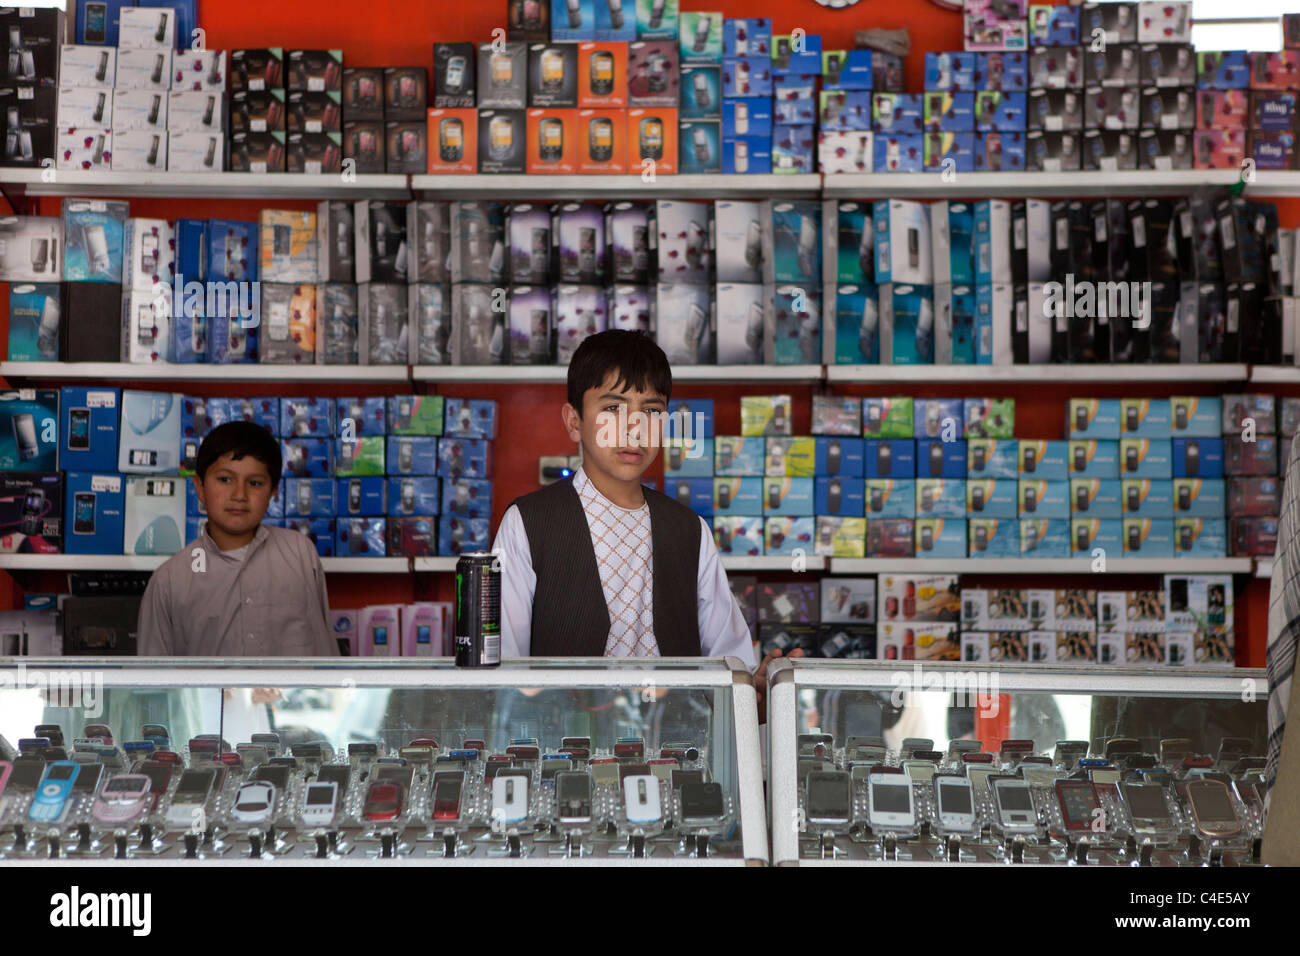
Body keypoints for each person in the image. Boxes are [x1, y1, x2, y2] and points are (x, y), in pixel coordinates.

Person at [491, 330, 799, 715]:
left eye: (651, 411)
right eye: (613, 408)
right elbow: (501, 677)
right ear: (573, 422)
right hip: (565, 757)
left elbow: (729, 665)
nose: (633, 429)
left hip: (676, 756)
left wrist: (753, 687)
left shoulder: (689, 530)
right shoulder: (529, 523)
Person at [138, 421, 338, 657]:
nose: (239, 495)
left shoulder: (300, 553)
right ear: (200, 487)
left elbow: (326, 658)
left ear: (273, 492)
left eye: (255, 483)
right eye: (224, 479)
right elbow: (153, 683)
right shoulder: (169, 581)